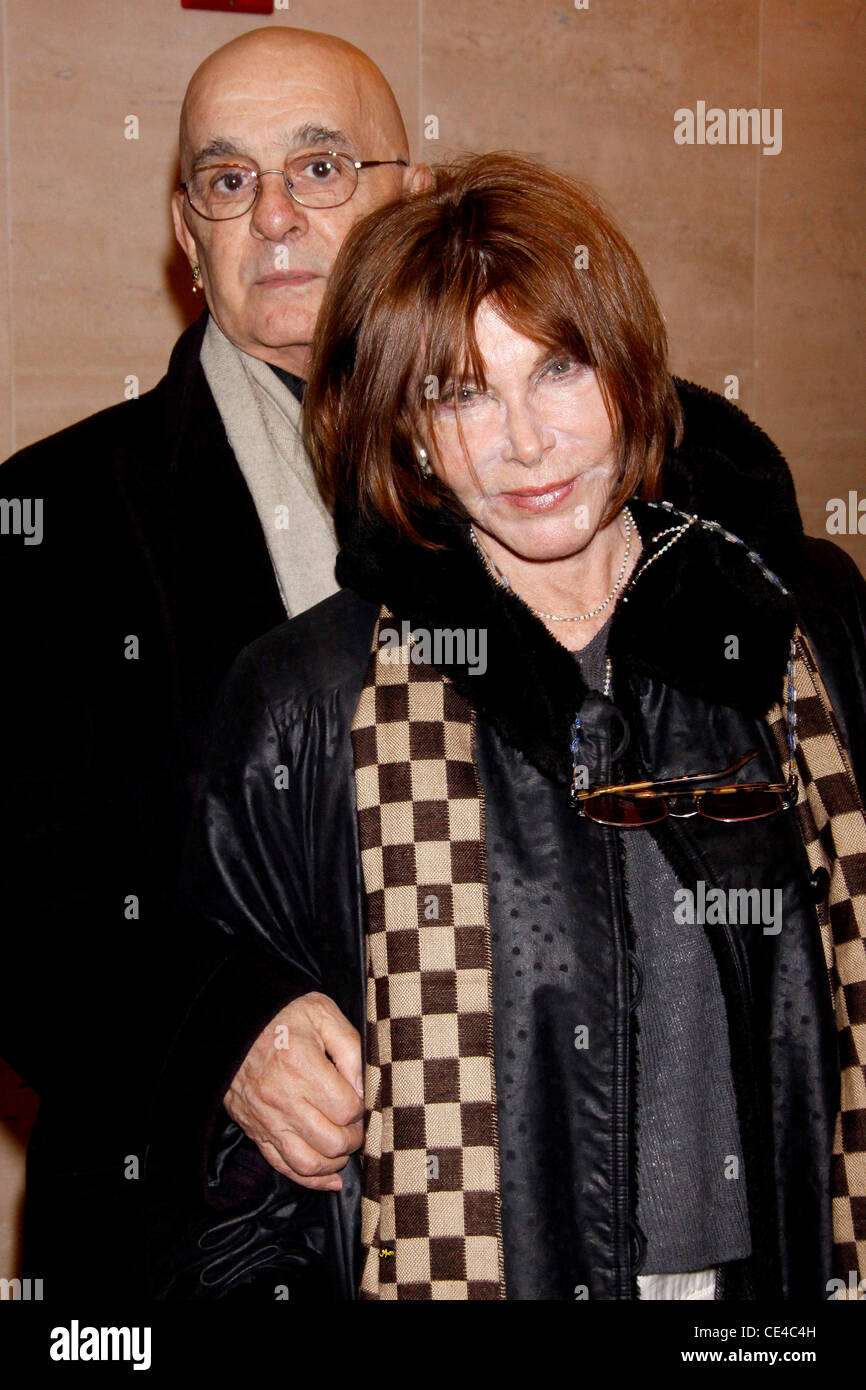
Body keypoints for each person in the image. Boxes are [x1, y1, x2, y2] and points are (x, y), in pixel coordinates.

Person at [148, 153, 866, 1300]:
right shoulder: (308, 695)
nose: (523, 442)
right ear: (408, 432)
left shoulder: (788, 630)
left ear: (628, 374)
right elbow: (239, 1140)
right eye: (459, 392)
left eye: (557, 369)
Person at [0, 24, 428, 1298]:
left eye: (321, 166)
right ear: (188, 237)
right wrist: (217, 1027)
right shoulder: (51, 518)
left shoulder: (542, 464)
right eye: (228, 181)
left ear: (407, 198)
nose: (277, 217)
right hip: (183, 1235)